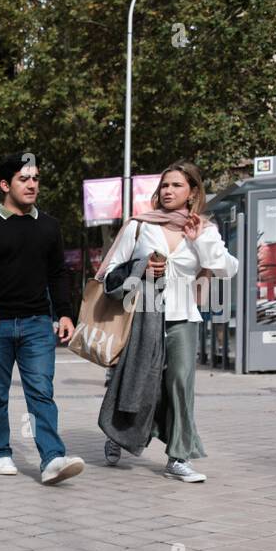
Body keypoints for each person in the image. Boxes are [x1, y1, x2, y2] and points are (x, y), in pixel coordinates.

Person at [98, 161, 238, 482]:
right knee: (133, 379)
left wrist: (200, 239)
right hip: (141, 316)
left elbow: (227, 269)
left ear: (192, 193)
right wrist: (142, 268)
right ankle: (117, 434)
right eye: (165, 185)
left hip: (181, 317)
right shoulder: (139, 225)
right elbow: (111, 272)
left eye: (177, 185)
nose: (168, 191)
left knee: (179, 384)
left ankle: (178, 457)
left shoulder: (204, 229)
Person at [0, 153, 84, 485]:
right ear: (5, 185)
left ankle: (52, 458)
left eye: (35, 179)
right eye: (23, 179)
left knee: (41, 391)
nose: (32, 185)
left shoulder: (48, 226)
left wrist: (65, 314)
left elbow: (58, 274)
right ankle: (0, 452)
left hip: (36, 325)